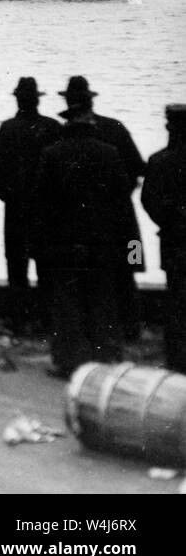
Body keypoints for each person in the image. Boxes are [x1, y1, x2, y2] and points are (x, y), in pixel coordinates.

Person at [35, 107, 134, 376]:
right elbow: (122, 200)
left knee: (68, 303)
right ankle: (105, 359)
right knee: (102, 299)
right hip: (102, 242)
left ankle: (70, 363)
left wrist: (43, 244)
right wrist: (127, 247)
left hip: (64, 243)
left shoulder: (52, 154)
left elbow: (42, 203)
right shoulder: (110, 153)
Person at [58, 76, 146, 343]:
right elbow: (139, 170)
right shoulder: (115, 128)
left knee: (94, 276)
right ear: (90, 100)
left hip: (88, 221)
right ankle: (131, 327)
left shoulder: (65, 136)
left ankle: (102, 331)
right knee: (130, 266)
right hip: (123, 215)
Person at [0, 78, 61, 335]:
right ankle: (47, 320)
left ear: (17, 99)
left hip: (17, 207)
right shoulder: (53, 126)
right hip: (47, 209)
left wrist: (8, 196)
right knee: (46, 266)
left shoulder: (8, 128)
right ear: (37, 99)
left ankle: (18, 320)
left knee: (16, 265)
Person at [142, 104, 186, 373]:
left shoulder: (158, 161)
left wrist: (169, 223)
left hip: (172, 241)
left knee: (176, 301)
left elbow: (149, 201)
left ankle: (177, 361)